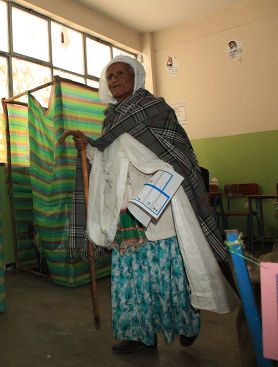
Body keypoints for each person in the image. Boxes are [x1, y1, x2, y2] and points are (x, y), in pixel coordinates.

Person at [60, 55, 237, 354]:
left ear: (136, 77)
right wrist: (89, 147)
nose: (114, 79)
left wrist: (103, 144)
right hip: (125, 211)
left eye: (120, 73)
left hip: (160, 212)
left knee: (167, 277)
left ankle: (186, 326)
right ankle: (139, 335)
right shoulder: (111, 121)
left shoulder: (156, 109)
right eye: (110, 75)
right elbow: (108, 160)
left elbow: (175, 154)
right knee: (130, 280)